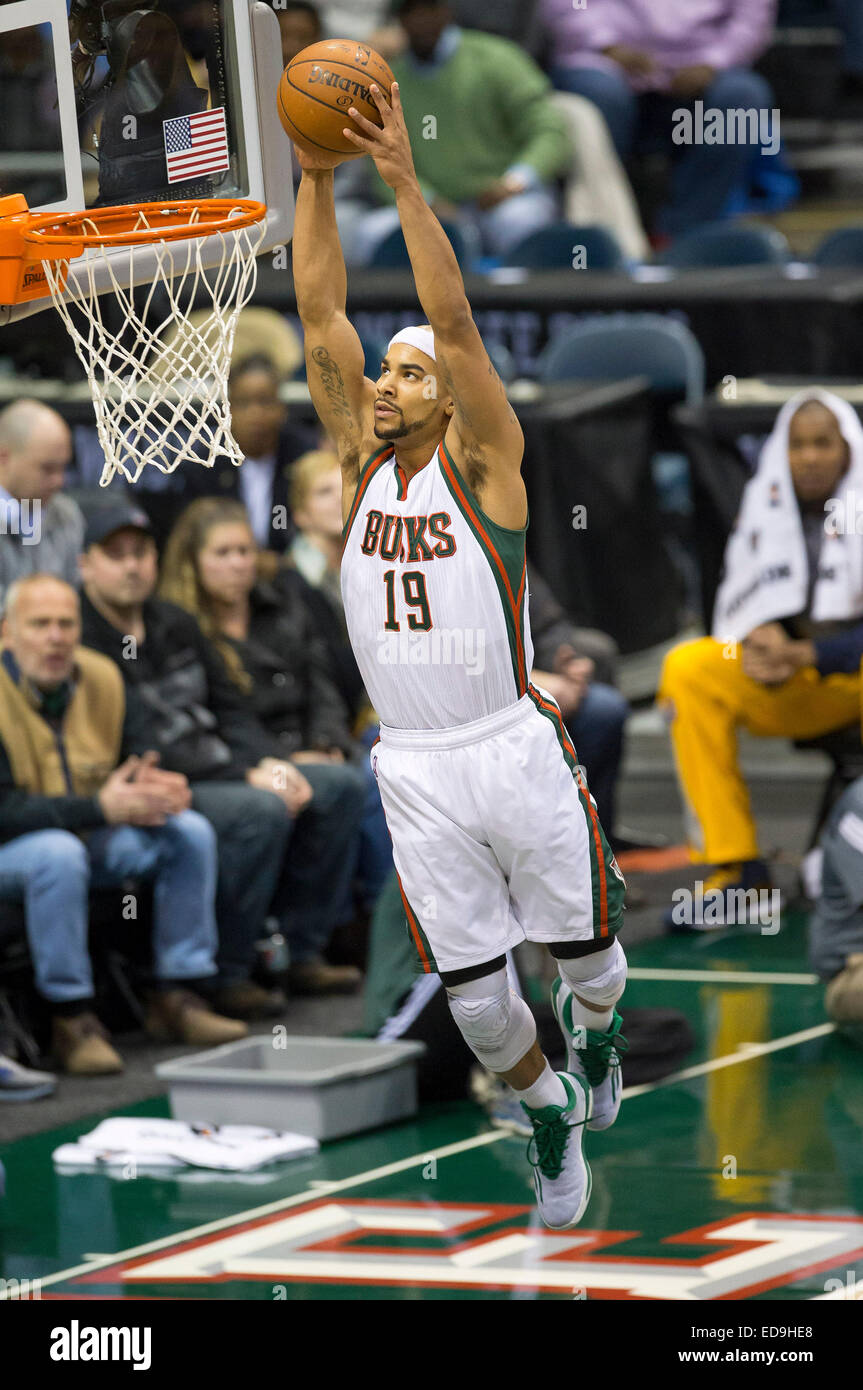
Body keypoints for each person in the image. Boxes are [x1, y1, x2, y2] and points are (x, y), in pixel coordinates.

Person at [291, 81, 627, 1232]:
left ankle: (596, 1029)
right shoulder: (352, 461)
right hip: (416, 763)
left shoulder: (486, 465)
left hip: (510, 743)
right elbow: (315, 298)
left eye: (409, 371)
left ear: (448, 396)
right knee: (483, 1008)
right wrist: (315, 171)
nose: (386, 382)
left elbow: (459, 325)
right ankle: (545, 1112)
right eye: (381, 371)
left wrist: (398, 178)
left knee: (592, 969)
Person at [78, 504, 364, 1002]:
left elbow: (232, 710)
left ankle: (300, 949)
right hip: (166, 782)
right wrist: (247, 775)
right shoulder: (84, 638)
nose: (131, 566)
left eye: (141, 553)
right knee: (260, 809)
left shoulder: (173, 620)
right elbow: (142, 747)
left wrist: (269, 762)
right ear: (86, 565)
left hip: (222, 768)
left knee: (339, 785)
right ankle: (228, 971)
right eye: (116, 555)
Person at [0, 573, 246, 1075]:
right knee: (56, 853)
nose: (56, 637)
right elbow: (5, 812)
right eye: (40, 624)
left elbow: (139, 758)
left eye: (66, 624)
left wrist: (156, 790)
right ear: (7, 632)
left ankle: (178, 992)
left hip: (93, 835)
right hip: (20, 847)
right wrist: (102, 809)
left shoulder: (104, 675)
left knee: (189, 831)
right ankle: (72, 1019)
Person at [659, 390, 863, 920]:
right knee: (690, 669)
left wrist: (809, 651)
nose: (811, 457)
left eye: (823, 443)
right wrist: (758, 634)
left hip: (851, 673)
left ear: (846, 449)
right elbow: (739, 600)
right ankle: (739, 872)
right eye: (799, 445)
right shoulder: (763, 505)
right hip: (802, 685)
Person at [158, 497, 392, 912]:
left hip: (307, 747)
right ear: (193, 561)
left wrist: (328, 742)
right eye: (222, 553)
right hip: (246, 761)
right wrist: (280, 759)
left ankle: (364, 922)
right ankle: (338, 926)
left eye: (244, 551)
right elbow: (223, 721)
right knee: (339, 786)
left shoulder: (280, 604)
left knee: (377, 768)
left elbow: (322, 686)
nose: (237, 564)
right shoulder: (182, 627)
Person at [335, 0, 572, 267]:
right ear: (399, 20)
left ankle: (526, 305)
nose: (422, 20)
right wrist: (426, 200)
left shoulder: (497, 57)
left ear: (447, 11)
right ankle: (404, 309)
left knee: (522, 220)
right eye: (412, 11)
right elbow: (380, 159)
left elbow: (549, 131)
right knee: (369, 234)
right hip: (426, 206)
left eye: (430, 8)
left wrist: (513, 182)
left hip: (503, 199)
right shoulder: (388, 81)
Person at [540, 0, 778, 238]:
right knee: (599, 95)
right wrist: (608, 45)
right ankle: (606, 232)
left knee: (743, 99)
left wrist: (712, 62)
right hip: (601, 58)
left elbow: (751, 19)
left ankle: (685, 234)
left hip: (702, 64)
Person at [180, 355, 318, 565]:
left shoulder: (304, 456)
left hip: (292, 572)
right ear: (227, 410)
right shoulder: (205, 464)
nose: (255, 413)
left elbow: (294, 525)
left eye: (265, 401)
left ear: (282, 409)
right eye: (244, 403)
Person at [0, 400, 84, 606]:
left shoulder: (66, 514)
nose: (59, 481)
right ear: (3, 458)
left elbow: (70, 600)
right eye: (47, 468)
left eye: (63, 468)